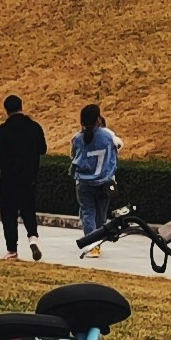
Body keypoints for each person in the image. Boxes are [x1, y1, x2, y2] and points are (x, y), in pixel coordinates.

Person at [0, 93, 46, 263]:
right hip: (28, 178)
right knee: (28, 209)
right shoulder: (34, 127)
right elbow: (43, 149)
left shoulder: (2, 130)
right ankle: (33, 237)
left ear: (6, 110)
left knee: (9, 214)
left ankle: (12, 250)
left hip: (8, 179)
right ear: (21, 107)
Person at [71, 102, 120, 254]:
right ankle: (98, 240)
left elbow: (74, 155)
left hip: (84, 183)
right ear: (99, 119)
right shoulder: (107, 136)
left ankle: (92, 244)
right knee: (101, 215)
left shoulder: (78, 139)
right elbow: (116, 152)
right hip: (104, 182)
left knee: (88, 213)